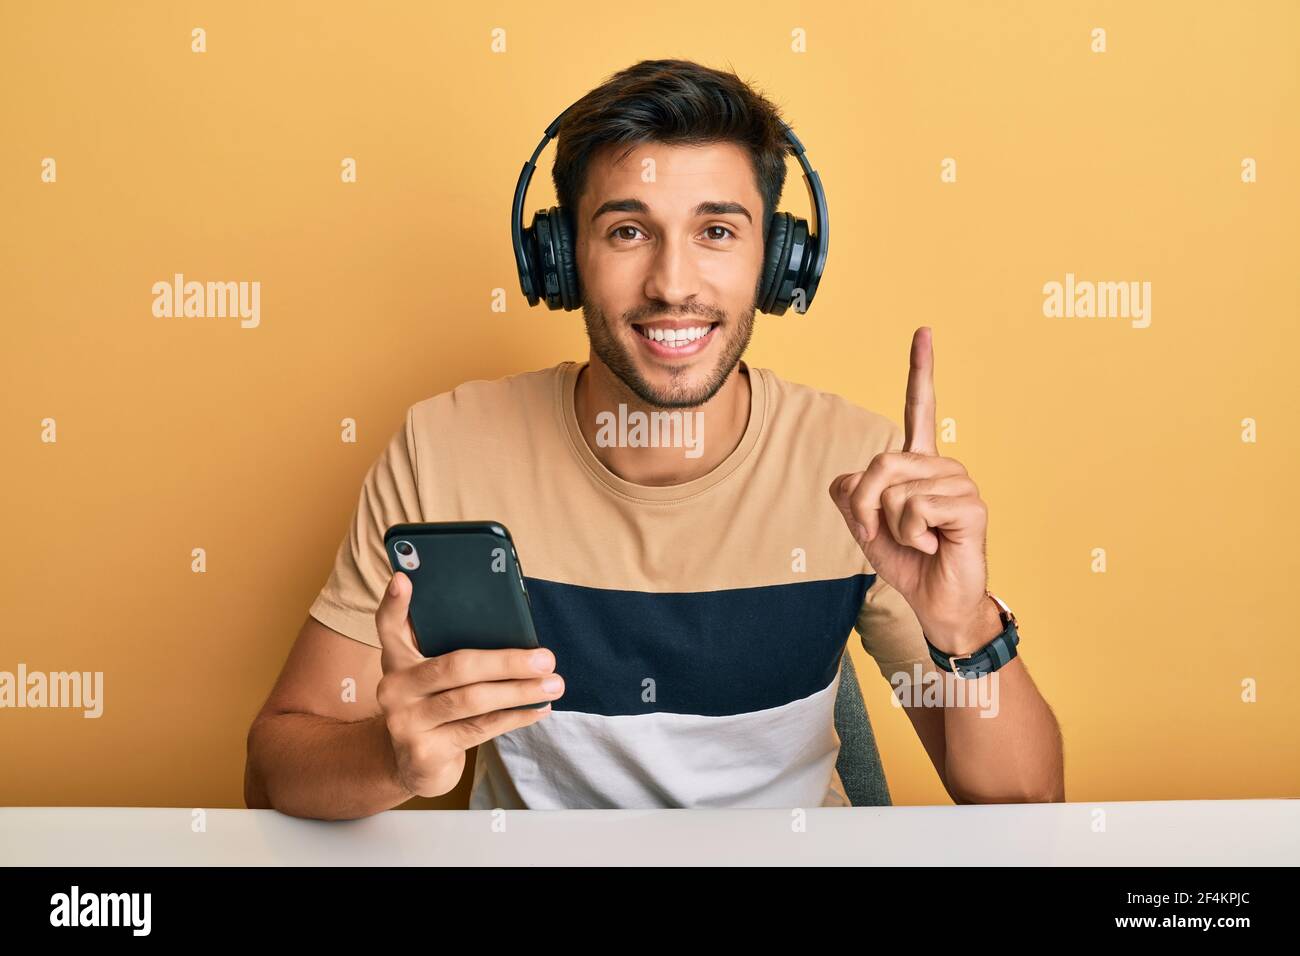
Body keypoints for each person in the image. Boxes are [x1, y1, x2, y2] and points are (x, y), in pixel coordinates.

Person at [244, 58, 1064, 820]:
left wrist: (966, 625)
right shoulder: (445, 448)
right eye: (628, 231)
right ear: (560, 258)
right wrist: (390, 762)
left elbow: (1025, 807)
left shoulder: (860, 468)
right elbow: (275, 767)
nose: (673, 284)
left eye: (717, 232)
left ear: (777, 264)